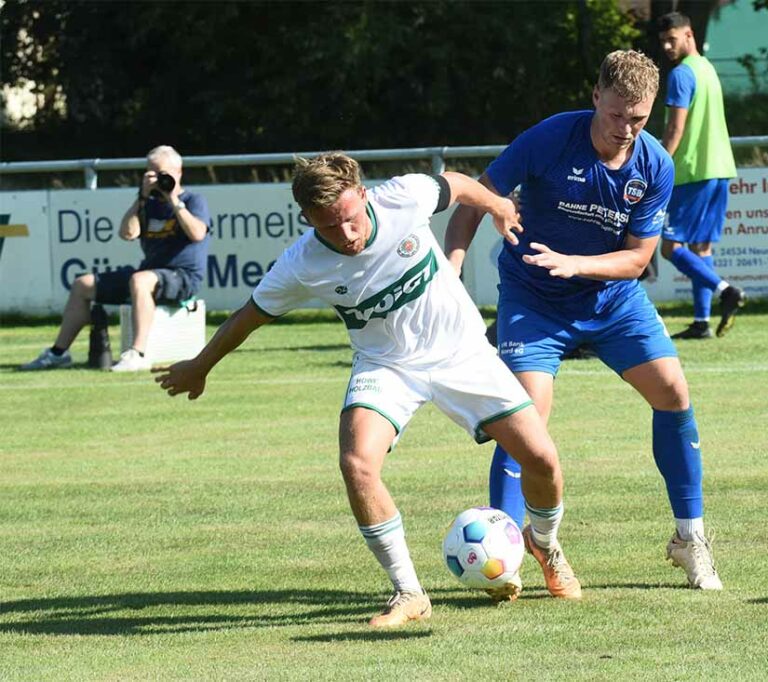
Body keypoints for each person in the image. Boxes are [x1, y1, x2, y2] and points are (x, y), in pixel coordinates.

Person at [153, 152, 582, 627]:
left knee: (542, 458)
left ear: (362, 193)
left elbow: (457, 185)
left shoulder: (404, 196)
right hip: (387, 365)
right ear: (307, 220)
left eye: (350, 218)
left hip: (462, 352)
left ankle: (543, 545)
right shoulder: (302, 263)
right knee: (356, 462)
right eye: (329, 227)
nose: (347, 235)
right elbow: (249, 316)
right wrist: (200, 365)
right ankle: (409, 592)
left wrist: (498, 206)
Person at [446, 50, 723, 590]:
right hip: (534, 299)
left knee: (673, 390)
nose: (626, 129)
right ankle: (515, 552)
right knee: (524, 418)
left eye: (639, 119)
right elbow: (476, 200)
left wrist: (576, 265)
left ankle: (690, 540)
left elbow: (638, 259)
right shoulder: (549, 138)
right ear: (596, 96)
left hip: (611, 300)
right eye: (617, 114)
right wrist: (451, 272)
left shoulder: (654, 165)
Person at [20, 145, 211, 372]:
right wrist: (141, 198)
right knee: (83, 285)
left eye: (163, 174)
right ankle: (58, 353)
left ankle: (137, 353)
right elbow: (127, 233)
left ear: (178, 173)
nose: (157, 179)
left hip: (183, 276)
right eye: (151, 173)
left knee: (140, 280)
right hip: (148, 274)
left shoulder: (193, 200)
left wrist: (173, 200)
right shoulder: (147, 203)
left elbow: (198, 234)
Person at [657, 12, 745, 340]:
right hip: (720, 169)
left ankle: (725, 290)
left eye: (672, 39)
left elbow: (674, 127)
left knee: (669, 248)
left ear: (689, 34)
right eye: (663, 41)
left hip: (692, 171)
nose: (667, 45)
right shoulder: (707, 69)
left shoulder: (681, 74)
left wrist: (658, 165)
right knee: (701, 249)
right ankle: (701, 322)